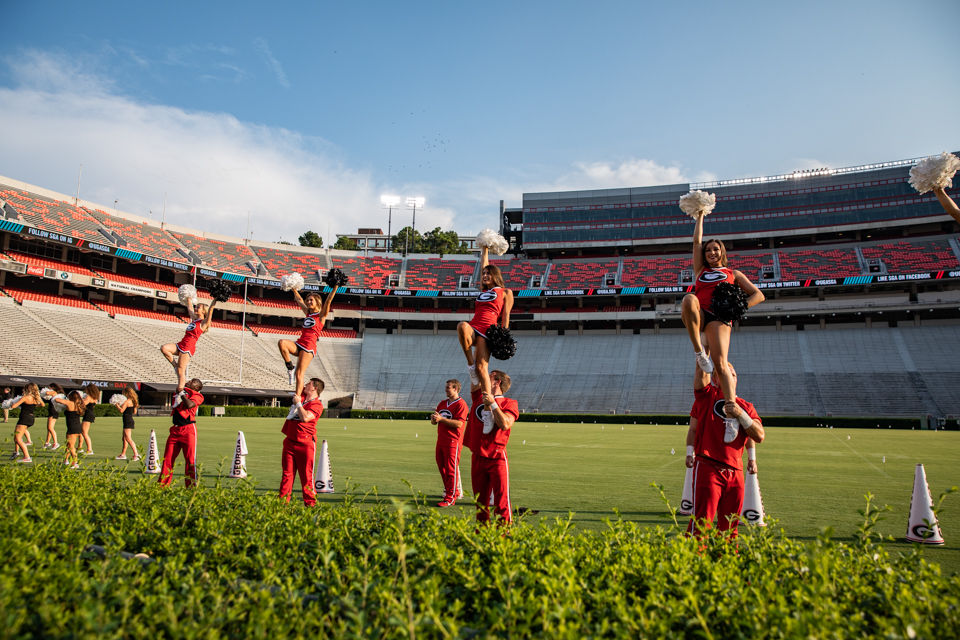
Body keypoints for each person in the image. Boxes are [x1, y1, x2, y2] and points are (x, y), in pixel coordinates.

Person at [680, 211, 764, 407]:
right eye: (708, 250)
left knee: (720, 365)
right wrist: (700, 216)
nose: (711, 253)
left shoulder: (733, 273)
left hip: (720, 318)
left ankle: (731, 412)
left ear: (722, 252)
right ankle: (699, 352)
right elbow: (696, 243)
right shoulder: (701, 270)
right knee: (688, 299)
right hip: (701, 315)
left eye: (715, 249)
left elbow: (759, 295)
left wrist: (738, 308)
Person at [685, 360, 764, 538]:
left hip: (735, 472)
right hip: (708, 467)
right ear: (715, 379)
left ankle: (726, 562)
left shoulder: (745, 406)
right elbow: (700, 372)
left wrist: (740, 414)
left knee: (729, 529)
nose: (731, 376)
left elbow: (758, 435)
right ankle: (692, 562)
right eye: (725, 373)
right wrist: (708, 347)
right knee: (701, 524)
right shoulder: (707, 396)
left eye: (733, 374)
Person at [463, 369, 520, 524]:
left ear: (497, 382)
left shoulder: (510, 403)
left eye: (489, 377)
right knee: (480, 504)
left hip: (497, 458)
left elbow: (505, 424)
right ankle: (481, 536)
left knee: (501, 503)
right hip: (477, 456)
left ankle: (503, 538)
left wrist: (493, 404)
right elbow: (477, 371)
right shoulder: (478, 396)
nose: (484, 378)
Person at [457, 245, 514, 398]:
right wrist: (485, 248)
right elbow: (484, 263)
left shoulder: (506, 292)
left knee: (482, 368)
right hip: (474, 326)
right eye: (483, 274)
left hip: (488, 331)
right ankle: (470, 365)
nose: (485, 275)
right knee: (462, 326)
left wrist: (503, 335)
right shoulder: (484, 291)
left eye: (488, 273)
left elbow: (506, 315)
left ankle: (489, 405)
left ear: (495, 275)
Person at [278, 286, 337, 399]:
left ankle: (297, 400)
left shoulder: (321, 316)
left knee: (299, 374)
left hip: (308, 347)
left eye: (311, 300)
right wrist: (293, 288)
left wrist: (335, 287)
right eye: (308, 300)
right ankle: (290, 367)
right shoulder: (308, 313)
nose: (308, 302)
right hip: (299, 343)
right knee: (282, 343)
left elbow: (329, 300)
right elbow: (299, 300)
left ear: (317, 302)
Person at [278, 377, 325, 506]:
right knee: (287, 475)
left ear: (314, 388)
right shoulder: (303, 397)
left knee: (306, 477)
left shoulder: (317, 405)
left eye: (308, 383)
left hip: (305, 444)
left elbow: (305, 418)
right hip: (290, 441)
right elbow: (299, 379)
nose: (305, 385)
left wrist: (298, 404)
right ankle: (281, 505)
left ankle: (310, 505)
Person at [161, 297, 218, 393]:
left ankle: (180, 391)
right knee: (164, 348)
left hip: (188, 347)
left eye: (198, 307)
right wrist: (188, 298)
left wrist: (215, 300)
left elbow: (211, 309)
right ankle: (175, 366)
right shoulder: (195, 320)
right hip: (181, 343)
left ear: (203, 311)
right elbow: (190, 308)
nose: (196, 308)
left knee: (181, 371)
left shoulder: (204, 323)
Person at [431, 378, 469, 507]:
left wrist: (441, 419)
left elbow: (459, 423)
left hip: (453, 441)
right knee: (442, 467)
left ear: (455, 389)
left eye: (448, 387)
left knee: (451, 468)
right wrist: (434, 419)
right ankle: (452, 491)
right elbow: (435, 421)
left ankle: (450, 497)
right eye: (446, 387)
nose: (446, 389)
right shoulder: (442, 403)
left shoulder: (461, 404)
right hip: (441, 439)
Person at [159, 378, 204, 487]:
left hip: (188, 430)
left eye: (193, 381)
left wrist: (182, 394)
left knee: (190, 460)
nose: (189, 381)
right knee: (167, 459)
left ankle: (191, 486)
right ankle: (162, 486)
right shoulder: (182, 390)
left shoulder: (198, 396)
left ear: (197, 387)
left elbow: (189, 405)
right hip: (175, 429)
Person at [53, 390, 87, 469]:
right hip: (78, 427)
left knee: (71, 446)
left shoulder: (70, 403)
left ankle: (75, 463)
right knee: (69, 445)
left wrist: (64, 398)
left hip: (72, 428)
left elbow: (56, 400)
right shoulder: (79, 404)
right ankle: (65, 460)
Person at [9, 383, 43, 463]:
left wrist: (11, 402)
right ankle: (16, 452)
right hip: (31, 418)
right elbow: (43, 404)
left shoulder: (26, 397)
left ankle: (27, 457)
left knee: (18, 438)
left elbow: (13, 406)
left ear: (28, 389)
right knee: (16, 436)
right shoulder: (36, 397)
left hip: (24, 418)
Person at [113, 385, 140, 461]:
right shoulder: (134, 401)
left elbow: (121, 411)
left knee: (128, 438)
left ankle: (136, 454)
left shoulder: (127, 401)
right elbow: (134, 412)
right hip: (129, 419)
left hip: (127, 420)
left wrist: (116, 405)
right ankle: (123, 454)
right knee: (124, 438)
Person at [78, 384, 101, 456]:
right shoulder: (94, 398)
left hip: (88, 415)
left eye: (87, 389)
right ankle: (80, 447)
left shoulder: (88, 397)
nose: (85, 390)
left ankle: (89, 449)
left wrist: (79, 399)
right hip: (89, 414)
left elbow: (82, 404)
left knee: (84, 433)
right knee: (82, 432)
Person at [41, 383, 65, 450]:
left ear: (53, 387)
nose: (48, 388)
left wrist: (43, 391)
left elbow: (48, 392)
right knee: (49, 428)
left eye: (49, 387)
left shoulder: (54, 392)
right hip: (52, 411)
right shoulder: (56, 393)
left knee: (50, 428)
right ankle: (47, 442)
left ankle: (55, 443)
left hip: (53, 411)